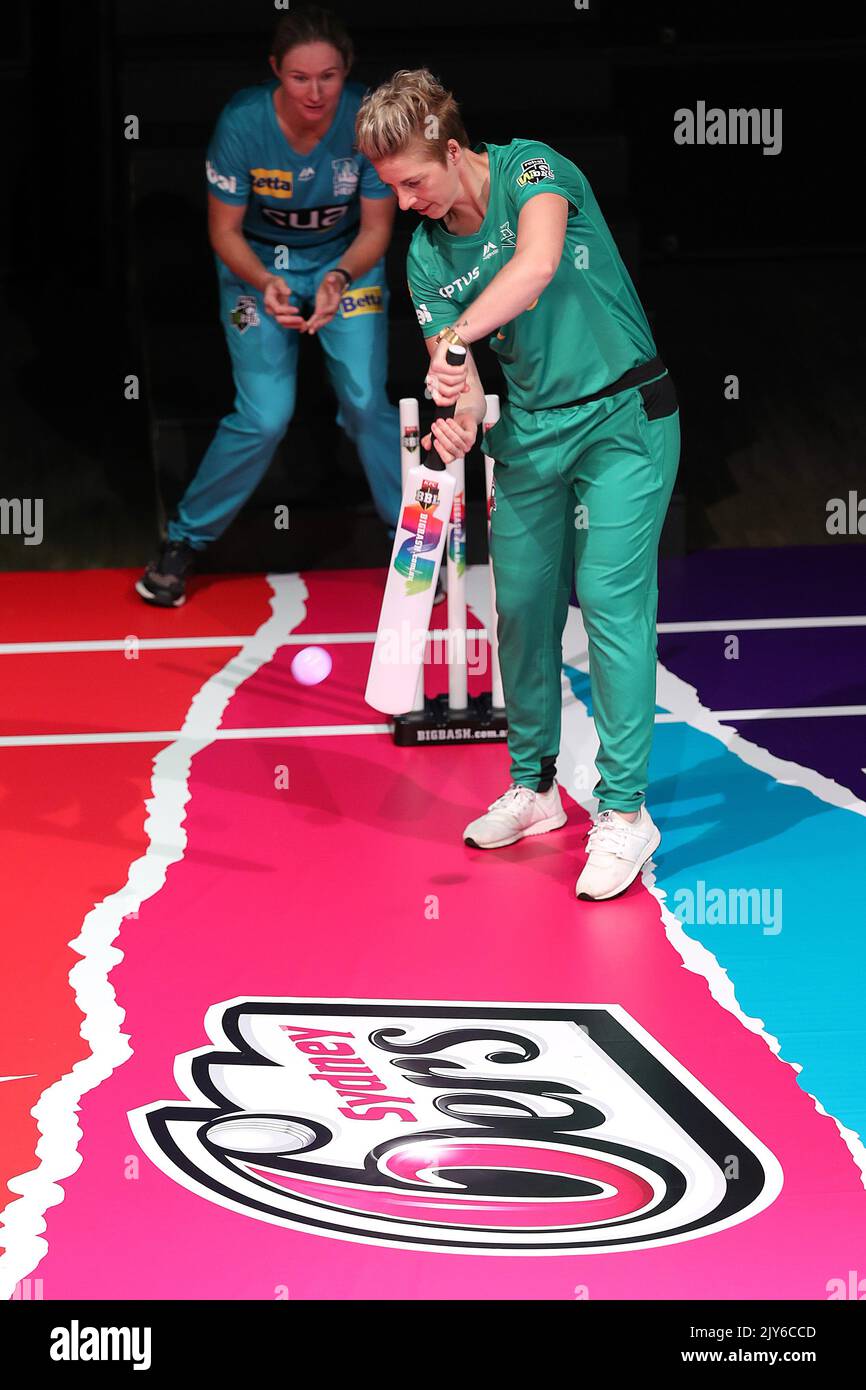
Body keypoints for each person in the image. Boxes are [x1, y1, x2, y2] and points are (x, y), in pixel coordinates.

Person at [355, 69, 681, 902]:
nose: (406, 201)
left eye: (413, 181)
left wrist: (459, 343)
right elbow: (450, 375)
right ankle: (534, 789)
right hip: (531, 429)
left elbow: (535, 266)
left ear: (454, 151)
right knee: (522, 606)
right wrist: (455, 417)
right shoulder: (426, 259)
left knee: (609, 598)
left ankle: (624, 812)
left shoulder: (534, 171)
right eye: (390, 188)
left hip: (623, 419)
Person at [136, 5, 404, 609]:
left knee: (365, 401)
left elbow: (376, 229)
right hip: (256, 265)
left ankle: (409, 544)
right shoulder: (242, 123)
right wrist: (265, 282)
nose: (315, 92)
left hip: (345, 262)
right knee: (264, 416)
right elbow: (224, 232)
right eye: (300, 78)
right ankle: (183, 542)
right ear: (275, 72)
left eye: (329, 77)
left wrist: (337, 277)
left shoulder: (369, 120)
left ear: (349, 70)